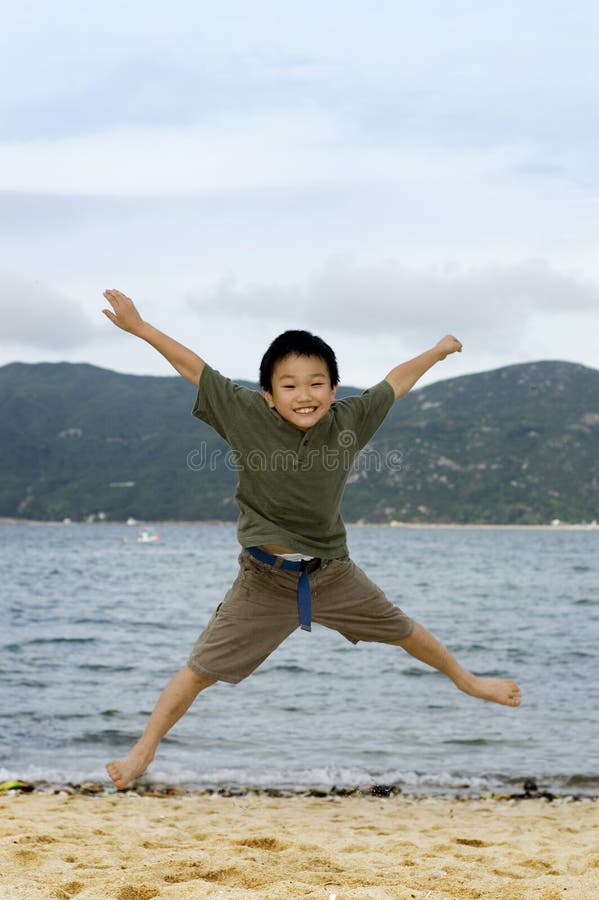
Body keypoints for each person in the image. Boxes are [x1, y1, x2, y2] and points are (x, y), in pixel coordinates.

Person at [101, 289, 521, 790]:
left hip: (332, 573)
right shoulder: (244, 414)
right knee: (199, 670)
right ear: (268, 394)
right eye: (290, 385)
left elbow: (395, 383)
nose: (305, 395)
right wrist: (141, 327)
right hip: (263, 580)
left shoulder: (349, 421)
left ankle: (469, 682)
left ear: (334, 389)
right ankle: (142, 752)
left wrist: (436, 351)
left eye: (317, 383)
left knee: (405, 630)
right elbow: (195, 369)